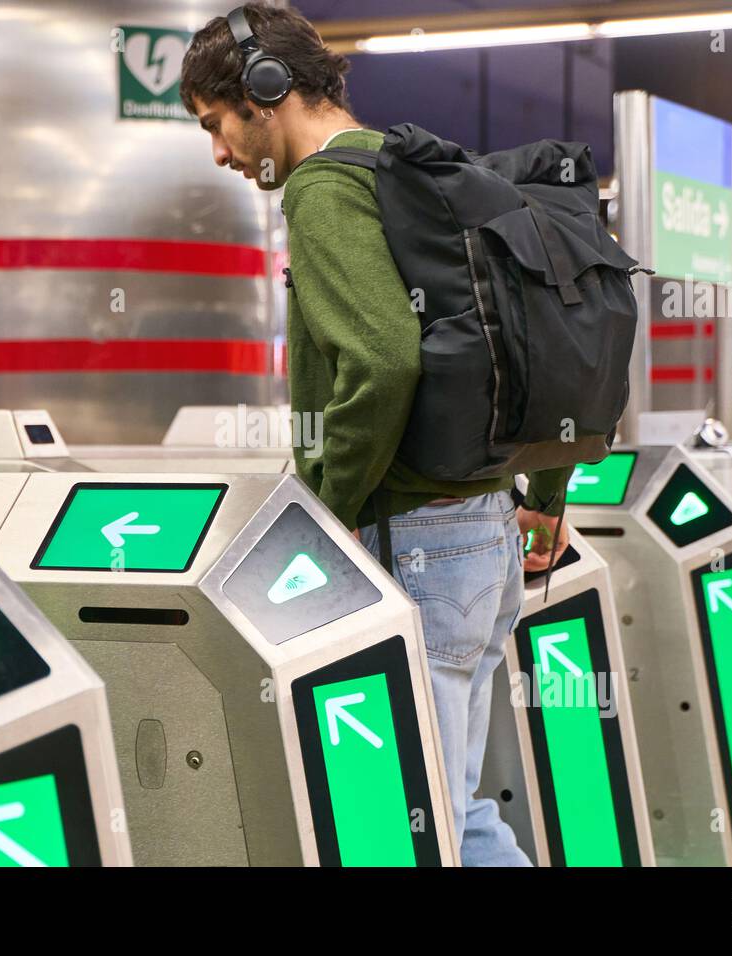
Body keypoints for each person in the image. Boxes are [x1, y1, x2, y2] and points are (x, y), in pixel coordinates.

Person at [180, 3, 571, 866]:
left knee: (412, 820)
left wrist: (324, 512)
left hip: (414, 545)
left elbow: (384, 361)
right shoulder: (418, 167)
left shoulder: (324, 189)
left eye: (217, 125)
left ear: (265, 92)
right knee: (455, 812)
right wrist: (545, 495)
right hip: (485, 536)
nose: (219, 152)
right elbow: (533, 334)